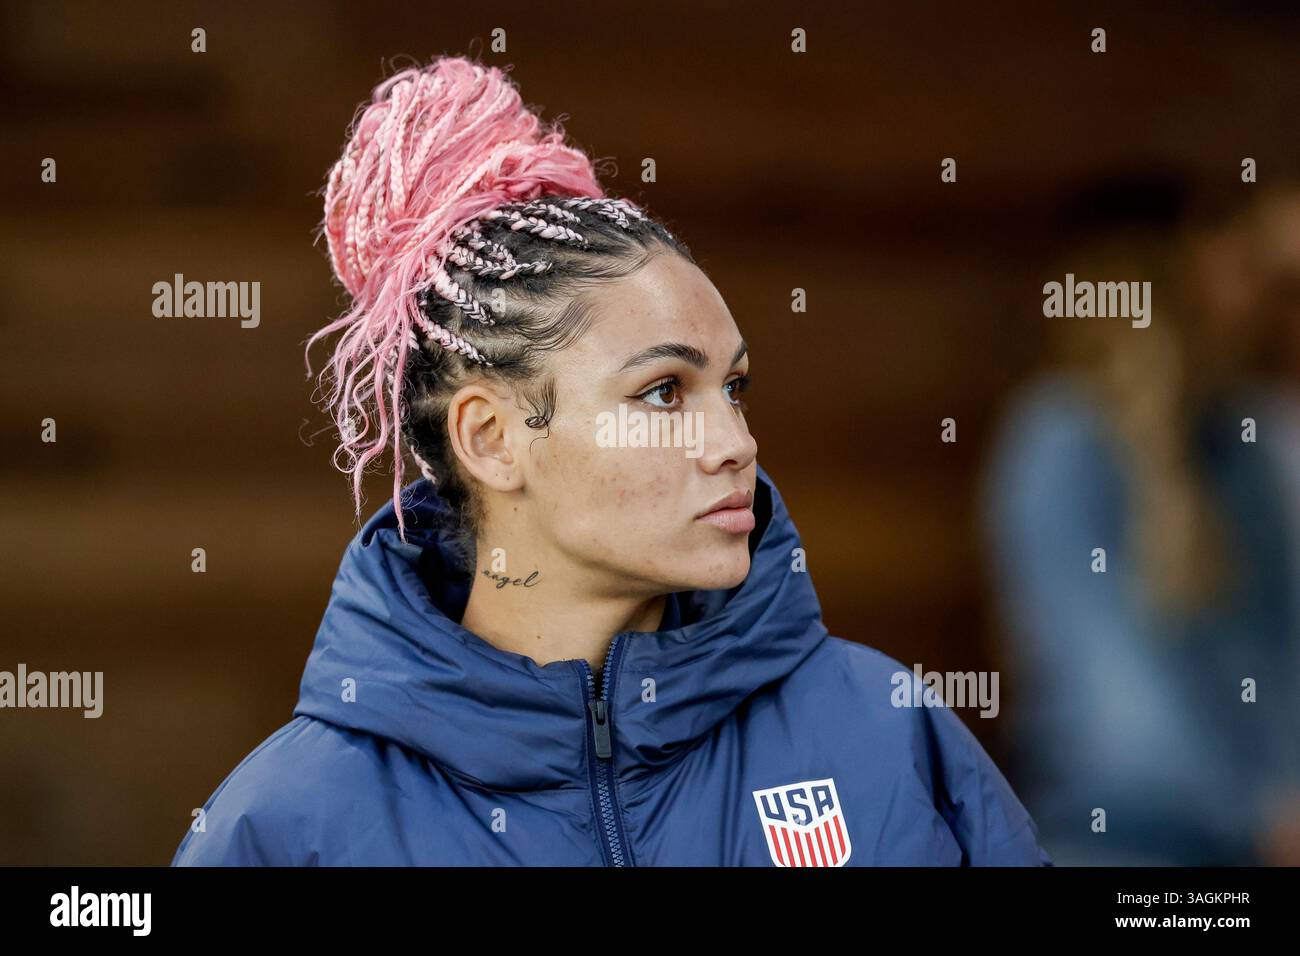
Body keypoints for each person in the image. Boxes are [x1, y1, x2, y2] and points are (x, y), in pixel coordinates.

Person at [171, 54, 1050, 867]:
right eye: (663, 393)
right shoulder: (289, 824)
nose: (735, 443)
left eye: (733, 388)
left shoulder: (884, 732)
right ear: (492, 439)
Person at [981, 178, 1300, 865]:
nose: (1262, 300)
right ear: (1168, 275)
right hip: (1115, 839)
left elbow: (1282, 651)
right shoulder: (1062, 442)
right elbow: (1113, 708)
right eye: (1239, 263)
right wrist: (1260, 814)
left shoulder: (1240, 449)